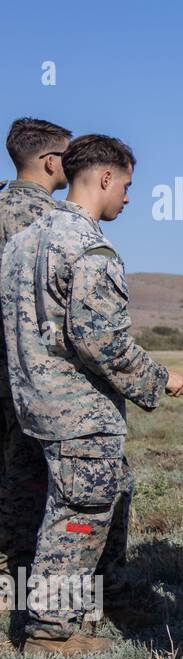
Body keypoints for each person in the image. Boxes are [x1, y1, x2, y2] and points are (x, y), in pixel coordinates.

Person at [1, 134, 183, 655]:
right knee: (78, 513)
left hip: (30, 404)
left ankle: (47, 606)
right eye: (126, 185)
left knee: (51, 505)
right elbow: (101, 340)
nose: (128, 198)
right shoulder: (88, 248)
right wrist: (160, 378)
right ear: (105, 178)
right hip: (78, 411)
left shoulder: (23, 242)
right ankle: (50, 630)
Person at [0, 118, 71, 576]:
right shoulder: (50, 220)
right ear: (49, 162)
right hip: (28, 367)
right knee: (30, 472)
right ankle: (20, 571)